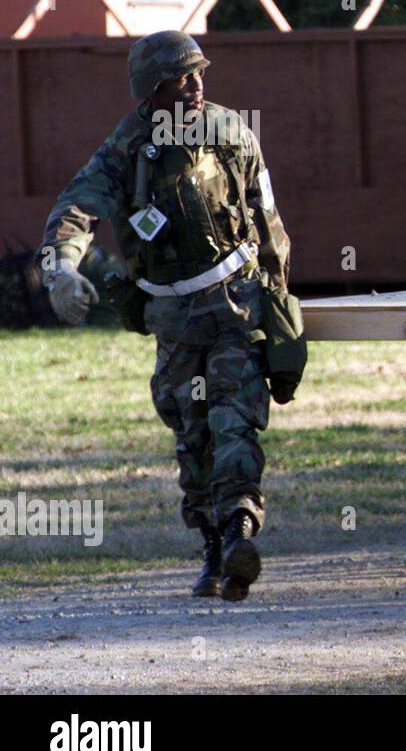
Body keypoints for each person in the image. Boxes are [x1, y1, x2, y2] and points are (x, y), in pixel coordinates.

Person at [41, 30, 295, 602]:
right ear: (152, 90)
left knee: (235, 418)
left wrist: (281, 305)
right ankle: (212, 550)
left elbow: (269, 221)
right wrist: (60, 271)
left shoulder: (232, 132)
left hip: (236, 303)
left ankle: (238, 532)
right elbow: (73, 211)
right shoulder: (125, 150)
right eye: (183, 78)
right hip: (174, 319)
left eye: (200, 72)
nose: (197, 85)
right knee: (192, 433)